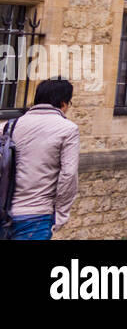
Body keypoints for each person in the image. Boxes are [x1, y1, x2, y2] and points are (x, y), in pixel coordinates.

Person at [8, 79, 80, 240]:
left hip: (4, 211)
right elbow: (68, 174)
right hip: (36, 214)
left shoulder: (10, 126)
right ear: (63, 103)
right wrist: (61, 214)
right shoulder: (68, 129)